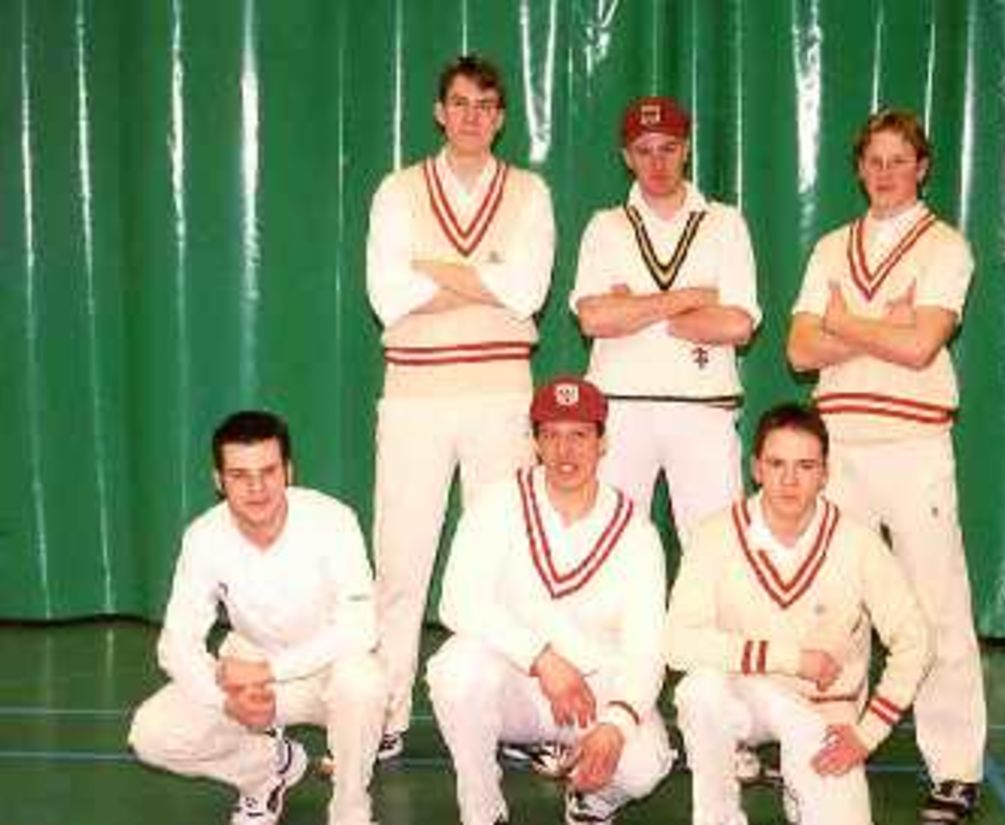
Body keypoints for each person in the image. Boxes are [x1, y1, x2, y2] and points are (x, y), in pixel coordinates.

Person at [786, 108, 987, 824]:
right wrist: (883, 325)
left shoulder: (946, 246)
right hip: (842, 441)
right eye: (874, 160)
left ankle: (956, 764)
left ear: (923, 166)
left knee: (936, 603)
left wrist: (843, 321)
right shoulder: (834, 245)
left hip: (913, 444)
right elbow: (799, 351)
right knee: (838, 604)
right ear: (859, 166)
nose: (886, 173)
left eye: (899, 160)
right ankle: (831, 744)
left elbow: (921, 347)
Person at [365, 53, 556, 756]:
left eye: (485, 105)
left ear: (500, 118)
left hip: (502, 392)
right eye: (460, 103)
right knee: (401, 558)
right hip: (415, 395)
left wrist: (432, 269)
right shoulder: (397, 190)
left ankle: (505, 715)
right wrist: (487, 278)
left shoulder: (529, 192)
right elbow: (387, 294)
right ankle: (385, 712)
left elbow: (530, 290)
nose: (472, 116)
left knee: (504, 560)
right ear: (439, 112)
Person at [665, 403, 932, 825]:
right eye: (777, 464)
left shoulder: (856, 542)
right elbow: (678, 642)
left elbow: (915, 640)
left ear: (825, 473)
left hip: (824, 709)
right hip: (747, 695)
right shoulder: (715, 534)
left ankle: (802, 786)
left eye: (805, 466)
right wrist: (792, 659)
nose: (790, 480)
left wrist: (866, 735)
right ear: (756, 468)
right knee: (700, 690)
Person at [426, 376, 673, 825]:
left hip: (593, 691)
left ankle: (590, 801)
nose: (565, 451)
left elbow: (647, 647)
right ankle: (482, 808)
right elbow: (457, 602)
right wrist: (541, 658)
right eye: (551, 436)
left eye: (579, 435)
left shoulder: (635, 530)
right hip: (517, 682)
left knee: (645, 765)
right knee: (456, 670)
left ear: (603, 442)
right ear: (535, 443)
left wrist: (616, 725)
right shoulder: (499, 502)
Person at [127, 410, 386, 825]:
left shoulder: (333, 520)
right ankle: (267, 771)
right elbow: (176, 645)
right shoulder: (204, 537)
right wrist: (228, 702)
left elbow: (361, 626)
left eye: (268, 471)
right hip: (250, 683)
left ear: (288, 471)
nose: (257, 488)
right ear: (219, 480)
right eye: (239, 475)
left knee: (365, 682)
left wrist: (266, 670)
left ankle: (350, 809)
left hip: (326, 671)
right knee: (152, 733)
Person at [570, 95, 760, 543]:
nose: (657, 162)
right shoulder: (605, 225)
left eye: (668, 148)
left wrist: (634, 310)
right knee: (608, 545)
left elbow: (737, 325)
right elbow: (593, 319)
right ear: (626, 157)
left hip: (704, 407)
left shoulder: (724, 223)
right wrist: (691, 299)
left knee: (717, 550)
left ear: (687, 149)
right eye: (644, 150)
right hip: (619, 408)